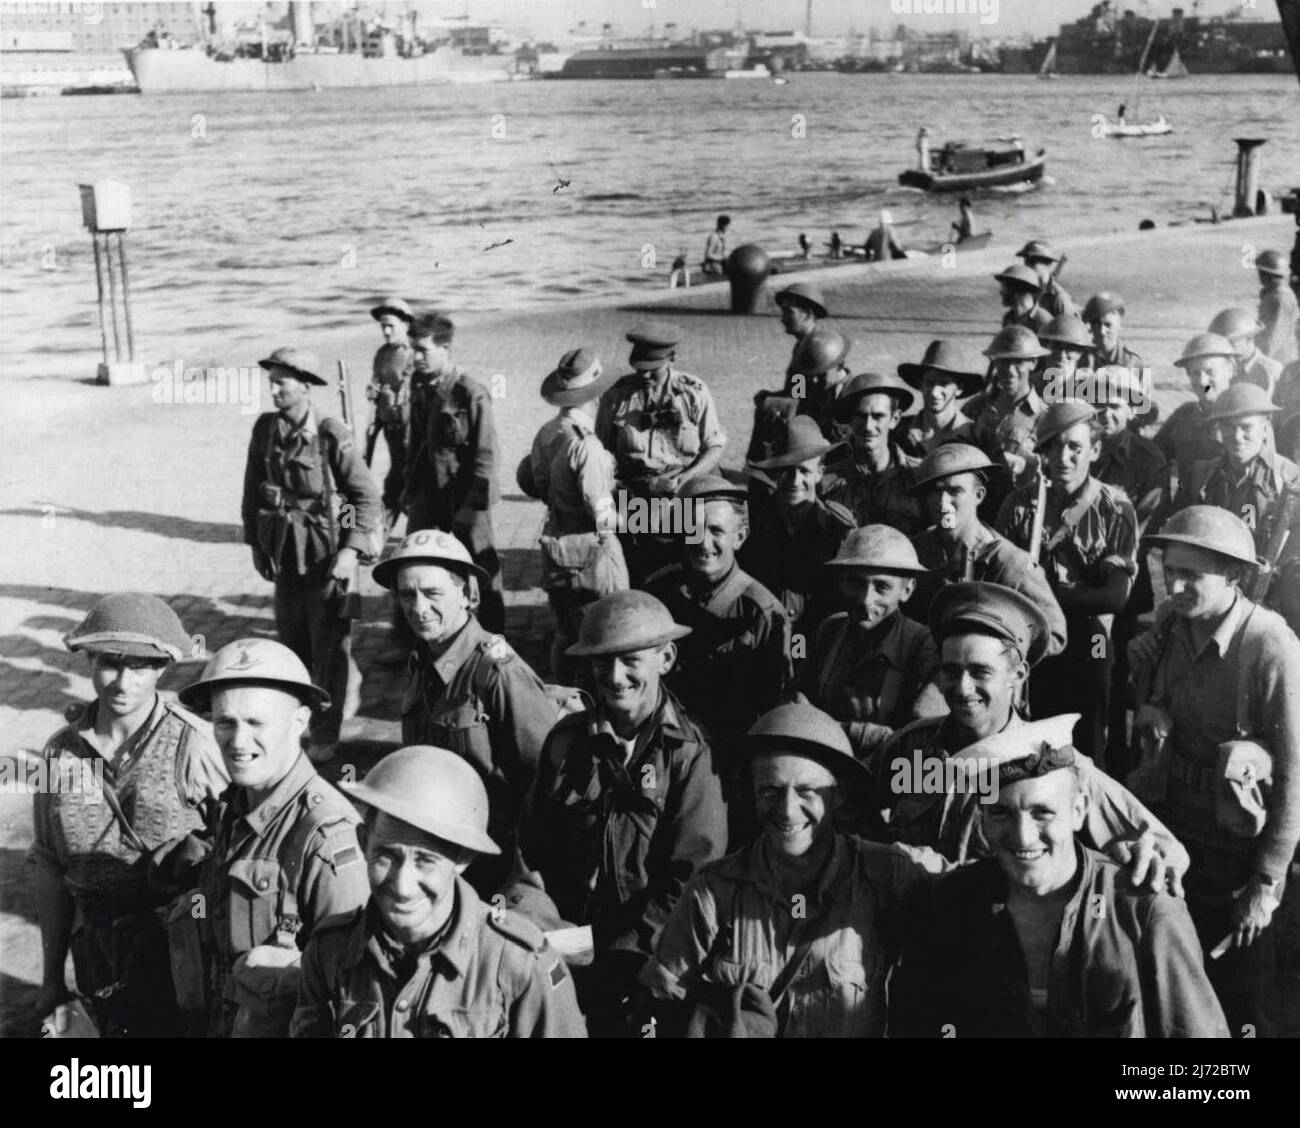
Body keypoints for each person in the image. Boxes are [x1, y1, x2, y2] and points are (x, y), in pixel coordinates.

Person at [890, 714, 1229, 1038]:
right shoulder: (953, 905)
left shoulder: (1144, 912)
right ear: (981, 818)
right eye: (1001, 813)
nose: (1023, 837)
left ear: (1079, 810)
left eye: (1043, 813)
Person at [638, 701, 947, 1038]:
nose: (787, 810)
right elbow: (661, 1001)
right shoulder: (713, 891)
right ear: (752, 794)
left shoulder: (887, 874)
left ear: (838, 796)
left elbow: (984, 887)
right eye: (770, 790)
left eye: (807, 791)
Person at [869, 581, 1188, 881]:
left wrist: (1146, 854)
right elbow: (855, 814)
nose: (963, 689)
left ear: (1017, 675)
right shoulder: (910, 750)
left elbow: (1168, 850)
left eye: (981, 672)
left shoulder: (1051, 763)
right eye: (951, 671)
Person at [520, 591, 727, 1036]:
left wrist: (613, 947)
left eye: (631, 660)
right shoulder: (566, 742)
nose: (614, 677)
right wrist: (542, 918)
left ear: (665, 658)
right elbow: (533, 844)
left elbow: (692, 878)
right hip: (567, 943)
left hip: (645, 957)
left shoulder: (690, 755)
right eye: (602, 662)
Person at [1129, 506, 1300, 1035]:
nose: (1175, 585)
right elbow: (1155, 721)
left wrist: (1265, 885)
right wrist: (1139, 672)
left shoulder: (1269, 644)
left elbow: (1296, 776)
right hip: (1175, 838)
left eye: (1192, 575)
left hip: (1237, 856)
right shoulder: (1170, 626)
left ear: (1234, 577)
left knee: (1244, 1001)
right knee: (1178, 989)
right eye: (1169, 569)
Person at [31, 594, 226, 1037]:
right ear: (88, 661)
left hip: (182, 951)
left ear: (161, 669)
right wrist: (49, 978)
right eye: (109, 663)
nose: (123, 681)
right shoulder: (58, 753)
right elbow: (48, 863)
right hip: (96, 950)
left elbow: (247, 842)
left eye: (140, 666)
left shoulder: (195, 745)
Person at [291, 746, 587, 1038]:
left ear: (462, 858)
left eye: (426, 861)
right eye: (387, 855)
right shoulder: (329, 953)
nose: (402, 886)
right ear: (363, 841)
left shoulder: (519, 964)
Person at [174, 639, 371, 1037]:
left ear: (299, 722)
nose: (238, 742)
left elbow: (351, 989)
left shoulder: (326, 837)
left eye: (256, 723)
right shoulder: (234, 808)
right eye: (225, 722)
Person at [371, 529, 560, 898]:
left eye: (432, 593)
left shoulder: (499, 670)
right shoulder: (423, 660)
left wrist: (524, 881)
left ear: (468, 594)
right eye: (407, 595)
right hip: (439, 851)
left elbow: (550, 782)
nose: (418, 608)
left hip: (495, 866)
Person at [241, 346, 382, 763]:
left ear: (304, 385)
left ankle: (325, 730)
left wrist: (350, 550)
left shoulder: (329, 434)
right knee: (292, 643)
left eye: (281, 382)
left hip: (326, 555)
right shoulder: (265, 430)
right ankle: (301, 716)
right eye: (271, 382)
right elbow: (251, 493)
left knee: (329, 648)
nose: (274, 390)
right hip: (285, 553)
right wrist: (255, 543)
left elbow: (364, 497)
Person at [996, 402, 1139, 765]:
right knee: (1031, 732)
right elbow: (1000, 584)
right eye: (1054, 446)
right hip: (1035, 636)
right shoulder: (1018, 506)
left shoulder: (1114, 507)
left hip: (1090, 635)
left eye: (1076, 447)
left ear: (1094, 450)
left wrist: (1042, 593)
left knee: (1090, 729)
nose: (1064, 458)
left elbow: (1114, 597)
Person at [644, 475, 790, 746]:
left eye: (716, 531)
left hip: (726, 747)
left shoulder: (762, 612)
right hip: (660, 735)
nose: (703, 542)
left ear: (740, 537)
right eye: (694, 529)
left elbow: (774, 703)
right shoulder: (658, 591)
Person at [792, 526, 945, 761]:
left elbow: (919, 741)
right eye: (856, 583)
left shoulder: (924, 647)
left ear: (906, 590)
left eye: (882, 587)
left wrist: (826, 728)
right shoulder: (830, 630)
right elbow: (799, 698)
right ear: (840, 582)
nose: (866, 599)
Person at [907, 442, 1067, 659]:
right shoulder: (915, 551)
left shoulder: (1010, 563)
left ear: (979, 495)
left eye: (955, 491)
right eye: (936, 492)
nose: (944, 503)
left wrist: (994, 645)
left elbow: (1054, 636)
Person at [522, 347, 626, 681]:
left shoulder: (547, 432)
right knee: (605, 633)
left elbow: (534, 483)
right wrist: (647, 521)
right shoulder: (588, 446)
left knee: (565, 632)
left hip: (556, 541)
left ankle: (563, 700)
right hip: (591, 550)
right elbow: (602, 514)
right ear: (596, 398)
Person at [596, 321, 727, 584]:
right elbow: (603, 453)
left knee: (685, 565)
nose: (644, 376)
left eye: (652, 371)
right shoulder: (617, 396)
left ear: (672, 360)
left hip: (683, 493)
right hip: (634, 494)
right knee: (636, 567)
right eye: (639, 369)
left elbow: (714, 446)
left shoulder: (693, 392)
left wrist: (685, 478)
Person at [401, 313, 505, 633]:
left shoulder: (470, 394)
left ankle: (493, 636)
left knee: (479, 568)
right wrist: (408, 492)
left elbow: (487, 458)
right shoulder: (419, 386)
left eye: (423, 350)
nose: (415, 357)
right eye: (412, 349)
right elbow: (418, 445)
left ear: (445, 348)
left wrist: (471, 510)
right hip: (429, 495)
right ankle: (412, 638)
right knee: (413, 560)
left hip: (466, 498)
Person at [1092, 366, 1168, 775]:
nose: (1106, 412)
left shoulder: (1147, 458)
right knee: (1091, 675)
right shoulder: (1081, 448)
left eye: (1116, 403)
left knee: (1120, 671)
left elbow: (1141, 524)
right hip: (1086, 587)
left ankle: (1121, 759)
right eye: (1099, 402)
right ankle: (1095, 751)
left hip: (1124, 589)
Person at [739, 415, 856, 642]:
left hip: (819, 643)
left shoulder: (838, 530)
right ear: (774, 472)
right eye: (786, 470)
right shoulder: (751, 526)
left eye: (804, 471)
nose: (794, 481)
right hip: (762, 641)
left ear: (820, 472)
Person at [821, 372, 925, 536]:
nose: (868, 426)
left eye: (878, 416)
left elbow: (948, 525)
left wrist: (951, 527)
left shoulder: (922, 476)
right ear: (850, 418)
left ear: (894, 419)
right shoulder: (826, 483)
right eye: (861, 416)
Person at [965, 325, 1051, 506]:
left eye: (1018, 362)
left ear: (1033, 363)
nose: (1009, 370)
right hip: (973, 503)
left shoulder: (1045, 418)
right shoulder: (976, 408)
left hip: (1015, 507)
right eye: (1003, 361)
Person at [1154, 332, 1239, 500]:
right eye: (1194, 373)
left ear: (1230, 370)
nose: (1202, 381)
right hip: (1188, 510)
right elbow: (1153, 456)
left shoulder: (1247, 416)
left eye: (1210, 371)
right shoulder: (1184, 415)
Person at [365, 296, 415, 525]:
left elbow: (411, 394)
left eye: (390, 326)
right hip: (390, 427)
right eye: (383, 326)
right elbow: (375, 385)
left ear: (405, 325)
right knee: (398, 477)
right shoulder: (381, 354)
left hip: (413, 430)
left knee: (405, 480)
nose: (386, 331)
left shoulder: (414, 353)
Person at [896, 339, 980, 458]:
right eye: (929, 382)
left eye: (944, 383)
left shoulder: (976, 436)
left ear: (959, 388)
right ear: (921, 384)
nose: (935, 392)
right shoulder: (898, 430)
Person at [777, 327, 852, 437]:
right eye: (810, 375)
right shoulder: (801, 377)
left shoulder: (852, 394)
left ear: (840, 365)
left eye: (821, 375)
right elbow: (793, 400)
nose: (814, 380)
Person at [1208, 306, 1283, 399]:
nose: (1223, 350)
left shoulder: (1268, 371)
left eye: (1230, 343)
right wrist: (1208, 393)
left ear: (1248, 340)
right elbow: (1206, 393)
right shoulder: (1218, 368)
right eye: (1219, 344)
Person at [774, 281, 829, 376]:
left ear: (807, 314)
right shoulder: (805, 345)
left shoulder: (816, 351)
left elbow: (799, 390)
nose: (783, 319)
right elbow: (799, 388)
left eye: (789, 312)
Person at [1035, 314, 1093, 399]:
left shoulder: (1089, 390)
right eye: (1056, 345)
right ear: (1046, 346)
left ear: (1080, 353)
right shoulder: (1031, 385)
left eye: (1069, 348)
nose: (1062, 355)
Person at [1082, 291, 1142, 371]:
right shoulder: (1080, 359)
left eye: (1108, 325)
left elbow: (1146, 383)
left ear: (1120, 325)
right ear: (1090, 326)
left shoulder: (1134, 363)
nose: (1102, 331)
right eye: (1096, 324)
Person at [1257, 248, 1298, 366]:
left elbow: (1273, 336)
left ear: (1267, 275)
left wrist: (1260, 359)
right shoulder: (1273, 294)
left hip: (1279, 361)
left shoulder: (1279, 299)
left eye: (1261, 272)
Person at [1015, 240, 1075, 319]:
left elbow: (1067, 329)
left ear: (1048, 265)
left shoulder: (1059, 299)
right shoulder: (1024, 293)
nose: (1027, 267)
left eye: (1032, 262)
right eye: (1026, 262)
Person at [994, 263, 1051, 336]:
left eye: (1004, 288)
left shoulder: (1043, 322)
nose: (1001, 292)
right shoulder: (1008, 318)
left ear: (1018, 291)